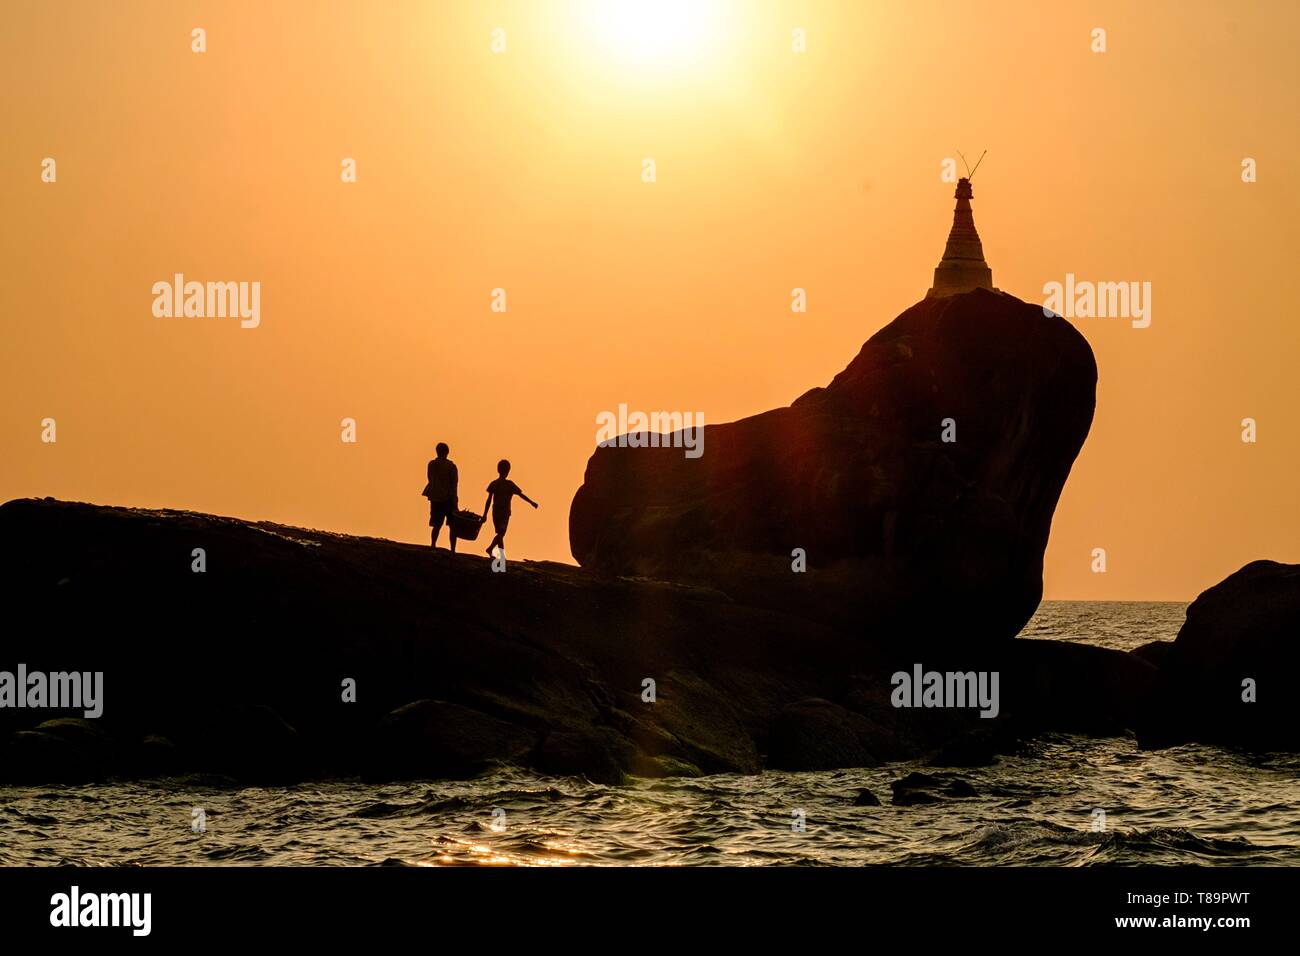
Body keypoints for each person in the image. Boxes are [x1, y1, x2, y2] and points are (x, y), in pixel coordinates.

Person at [482, 459, 537, 558]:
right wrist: (531, 502)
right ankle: (490, 549)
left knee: (500, 534)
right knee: (501, 534)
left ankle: (501, 556)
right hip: (503, 513)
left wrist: (485, 514)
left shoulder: (494, 483)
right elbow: (521, 495)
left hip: (496, 512)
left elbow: (488, 501)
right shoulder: (508, 484)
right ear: (508, 471)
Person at [423, 442, 459, 552]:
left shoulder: (431, 464)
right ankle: (453, 549)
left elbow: (429, 478)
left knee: (436, 524)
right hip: (448, 499)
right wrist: (455, 500)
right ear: (447, 453)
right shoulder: (451, 466)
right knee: (453, 525)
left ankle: (433, 544)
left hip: (435, 497)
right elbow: (454, 485)